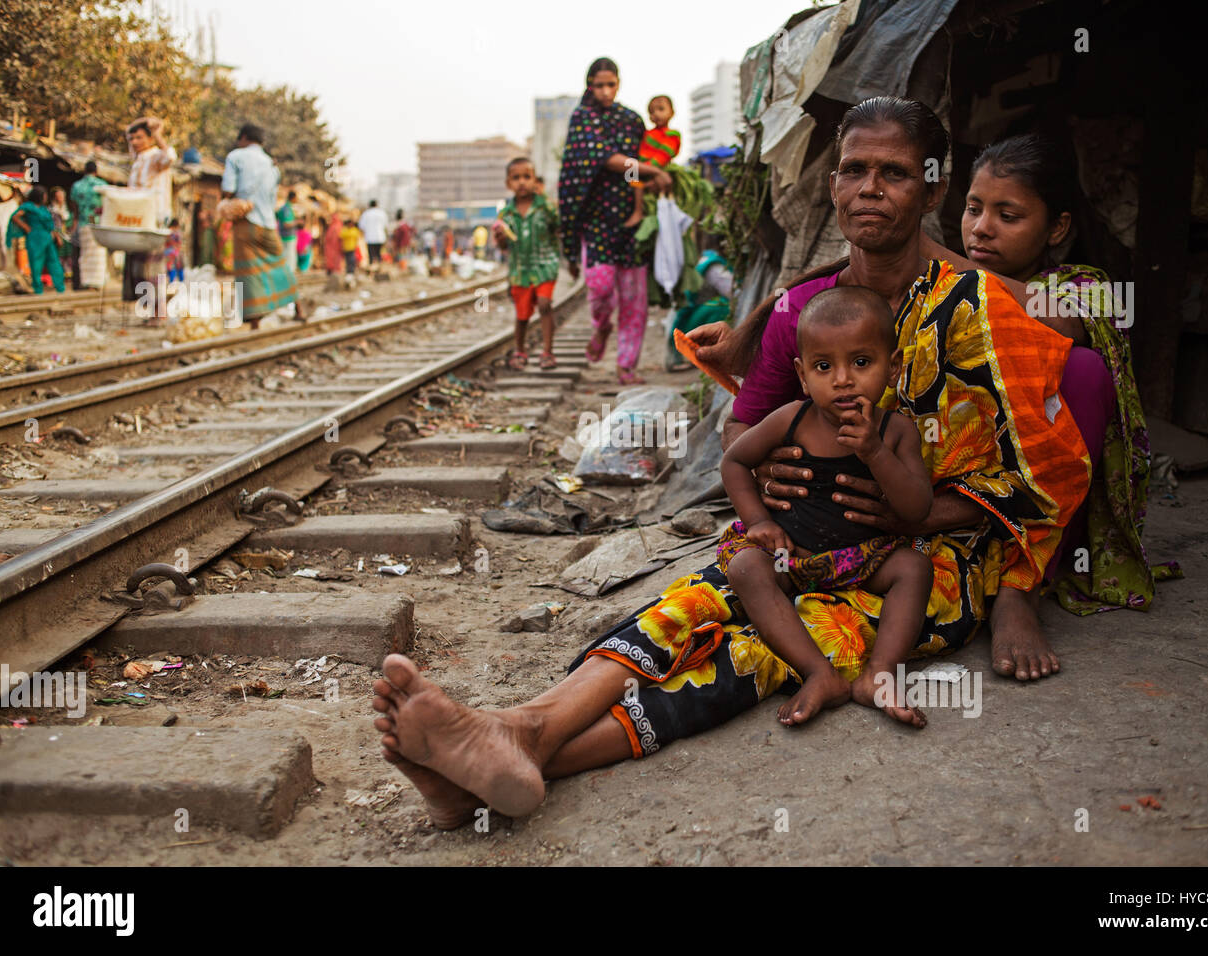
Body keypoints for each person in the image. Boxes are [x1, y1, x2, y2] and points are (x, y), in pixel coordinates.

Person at [368, 96, 1092, 825]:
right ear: (833, 184)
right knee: (697, 600)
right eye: (853, 170)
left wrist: (926, 506)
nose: (869, 188)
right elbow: (746, 431)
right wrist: (769, 473)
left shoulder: (982, 310)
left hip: (924, 560)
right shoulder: (804, 309)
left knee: (767, 651)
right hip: (801, 539)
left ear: (933, 190)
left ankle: (507, 756)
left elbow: (1044, 472)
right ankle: (518, 733)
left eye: (895, 173)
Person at [959, 133, 1176, 614]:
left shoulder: (1082, 288)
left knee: (1081, 365)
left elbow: (1063, 321)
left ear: (1057, 228)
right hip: (959, 486)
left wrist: (938, 261)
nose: (981, 229)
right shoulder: (940, 287)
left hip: (1046, 497)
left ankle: (1034, 568)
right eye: (973, 209)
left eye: (1007, 216)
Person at [719, 286, 934, 726]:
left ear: (892, 368)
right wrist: (758, 520)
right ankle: (820, 673)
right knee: (745, 568)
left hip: (863, 558)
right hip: (791, 556)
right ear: (801, 375)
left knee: (915, 568)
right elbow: (734, 461)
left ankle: (879, 674)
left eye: (861, 362)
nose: (842, 380)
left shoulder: (896, 432)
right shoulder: (791, 419)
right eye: (823, 366)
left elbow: (917, 510)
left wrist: (876, 453)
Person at [558, 57, 669, 385]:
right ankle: (602, 325)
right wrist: (652, 171)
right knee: (601, 287)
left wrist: (651, 171)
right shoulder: (583, 117)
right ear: (589, 85)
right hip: (595, 220)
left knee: (634, 299)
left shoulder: (631, 119)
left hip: (630, 219)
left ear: (618, 84)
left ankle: (626, 366)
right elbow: (605, 159)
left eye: (611, 84)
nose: (605, 91)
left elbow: (637, 161)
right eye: (598, 85)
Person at [220, 122, 301, 327]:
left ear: (244, 138)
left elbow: (228, 188)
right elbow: (273, 197)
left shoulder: (235, 157)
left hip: (246, 221)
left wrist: (227, 202)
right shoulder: (272, 164)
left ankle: (254, 321)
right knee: (279, 264)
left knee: (248, 270)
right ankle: (298, 308)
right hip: (268, 222)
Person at [494, 157, 561, 370]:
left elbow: (558, 228)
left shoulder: (546, 207)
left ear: (535, 180)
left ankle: (548, 352)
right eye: (516, 178)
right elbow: (504, 247)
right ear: (508, 183)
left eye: (526, 177)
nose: (521, 182)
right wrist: (501, 238)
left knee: (544, 304)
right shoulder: (506, 214)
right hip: (520, 270)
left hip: (545, 265)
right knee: (522, 315)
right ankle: (520, 351)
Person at [122, 117, 176, 320]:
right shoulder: (137, 160)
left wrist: (158, 133)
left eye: (139, 137)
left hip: (154, 219)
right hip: (136, 219)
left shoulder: (155, 157)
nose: (135, 142)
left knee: (152, 267)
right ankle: (150, 309)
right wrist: (141, 122)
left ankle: (159, 311)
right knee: (138, 268)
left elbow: (170, 156)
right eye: (132, 138)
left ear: (150, 138)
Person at [624, 94, 682, 229]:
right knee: (631, 174)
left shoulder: (672, 135)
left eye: (661, 109)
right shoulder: (647, 133)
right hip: (643, 168)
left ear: (671, 113)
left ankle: (639, 211)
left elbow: (664, 154)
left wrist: (649, 168)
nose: (656, 114)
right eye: (652, 111)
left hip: (658, 169)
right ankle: (638, 209)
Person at [8, 184, 66, 295]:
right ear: (39, 196)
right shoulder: (28, 207)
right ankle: (38, 289)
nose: (46, 198)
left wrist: (57, 237)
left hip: (47, 237)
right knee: (36, 263)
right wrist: (26, 227)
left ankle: (60, 287)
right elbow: (15, 216)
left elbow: (50, 225)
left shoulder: (44, 209)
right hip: (34, 238)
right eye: (44, 195)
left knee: (54, 262)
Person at [70, 161, 108, 289]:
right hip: (98, 222)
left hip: (83, 222)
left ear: (84, 171)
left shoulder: (76, 186)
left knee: (85, 253)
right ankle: (96, 282)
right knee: (98, 253)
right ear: (96, 171)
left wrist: (75, 222)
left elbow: (74, 208)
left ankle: (86, 281)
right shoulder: (102, 185)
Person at [48, 186, 74, 289]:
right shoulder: (52, 210)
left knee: (70, 257)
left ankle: (69, 277)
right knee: (59, 258)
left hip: (69, 236)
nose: (61, 198)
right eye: (58, 196)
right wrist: (57, 236)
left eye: (62, 196)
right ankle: (59, 278)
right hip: (57, 236)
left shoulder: (67, 209)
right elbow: (52, 225)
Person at [358, 199, 388, 273]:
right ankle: (379, 269)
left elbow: (361, 226)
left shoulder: (366, 214)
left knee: (371, 255)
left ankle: (371, 270)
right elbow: (385, 225)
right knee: (379, 254)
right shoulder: (382, 213)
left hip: (370, 238)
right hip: (380, 237)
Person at [277, 191, 298, 273]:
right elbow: (287, 224)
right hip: (288, 237)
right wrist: (297, 222)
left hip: (285, 236)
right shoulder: (287, 209)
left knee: (286, 256)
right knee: (289, 257)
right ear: (293, 198)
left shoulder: (284, 208)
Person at [322, 212, 343, 276]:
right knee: (332, 258)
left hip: (335, 246)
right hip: (331, 246)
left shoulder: (336, 226)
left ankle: (334, 270)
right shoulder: (335, 226)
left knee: (335, 258)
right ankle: (332, 270)